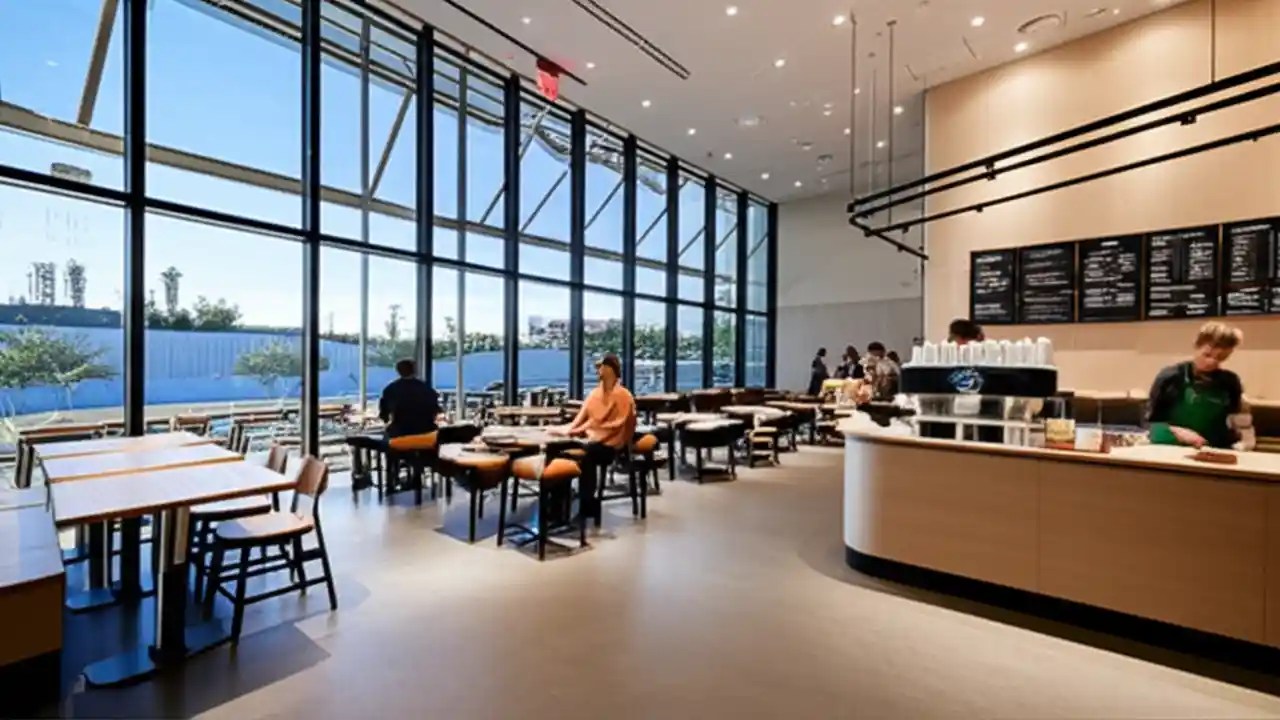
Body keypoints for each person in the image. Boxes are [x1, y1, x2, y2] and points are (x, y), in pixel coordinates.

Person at [558, 353, 636, 525]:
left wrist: (589, 432)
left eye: (601, 366)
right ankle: (558, 508)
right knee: (560, 452)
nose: (598, 370)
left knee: (587, 456)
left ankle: (587, 507)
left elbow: (619, 426)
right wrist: (567, 431)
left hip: (611, 445)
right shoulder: (593, 395)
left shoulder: (623, 395)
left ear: (610, 369)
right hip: (590, 440)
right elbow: (579, 419)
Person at [1148, 322, 1252, 450]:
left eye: (1220, 358)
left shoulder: (1230, 382)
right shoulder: (1170, 377)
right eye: (1207, 355)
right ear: (1197, 346)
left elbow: (1239, 423)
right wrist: (1177, 432)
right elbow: (1151, 424)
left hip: (1215, 450)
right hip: (1172, 448)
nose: (1212, 362)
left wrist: (1244, 443)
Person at [379, 358, 442, 438]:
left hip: (400, 432)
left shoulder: (390, 389)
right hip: (426, 431)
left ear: (398, 371)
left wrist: (386, 420)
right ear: (414, 370)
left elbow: (384, 414)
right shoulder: (426, 388)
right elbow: (435, 410)